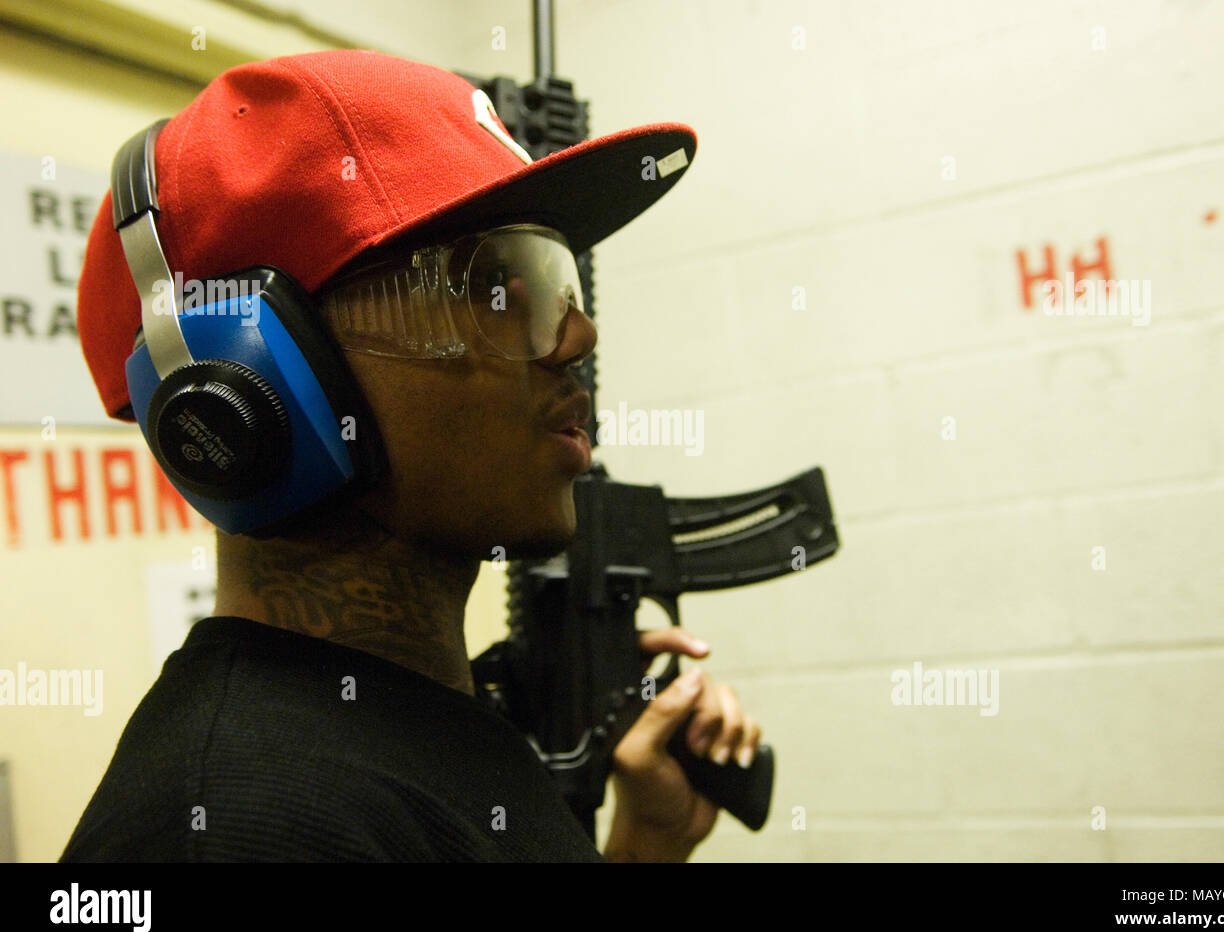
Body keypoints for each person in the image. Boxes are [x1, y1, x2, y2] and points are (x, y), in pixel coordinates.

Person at [61, 49, 761, 862]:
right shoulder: (236, 827)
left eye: (554, 277)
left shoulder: (422, 726)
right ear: (258, 375)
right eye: (493, 286)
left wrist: (644, 848)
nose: (578, 335)